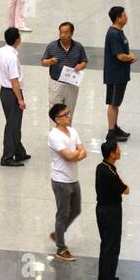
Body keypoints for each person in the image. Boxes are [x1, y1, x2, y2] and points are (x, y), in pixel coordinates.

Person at [47, 103, 85, 262]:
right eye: (65, 115)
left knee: (76, 209)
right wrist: (77, 153)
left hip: (73, 178)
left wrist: (75, 153)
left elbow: (84, 152)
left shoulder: (73, 131)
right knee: (62, 214)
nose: (69, 117)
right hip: (61, 180)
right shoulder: (54, 136)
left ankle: (58, 233)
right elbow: (69, 156)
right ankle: (61, 248)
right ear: (57, 119)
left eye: (68, 114)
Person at [95, 140, 128, 280]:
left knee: (105, 243)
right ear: (112, 154)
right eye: (118, 149)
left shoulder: (101, 167)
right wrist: (124, 185)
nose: (120, 151)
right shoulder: (110, 173)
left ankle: (104, 275)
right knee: (112, 245)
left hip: (101, 209)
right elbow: (125, 190)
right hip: (111, 211)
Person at [0, 26, 29, 166]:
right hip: (12, 92)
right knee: (12, 125)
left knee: (14, 124)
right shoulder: (12, 57)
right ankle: (7, 157)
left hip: (4, 91)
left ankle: (19, 151)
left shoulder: (0, 51)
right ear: (17, 40)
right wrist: (20, 99)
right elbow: (14, 80)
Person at [40, 21, 87, 115]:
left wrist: (80, 66)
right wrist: (50, 62)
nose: (62, 35)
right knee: (55, 112)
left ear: (72, 33)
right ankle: (55, 130)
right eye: (61, 32)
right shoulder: (52, 46)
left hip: (72, 84)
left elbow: (84, 61)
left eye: (66, 32)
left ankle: (66, 129)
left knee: (69, 112)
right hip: (56, 84)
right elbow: (43, 62)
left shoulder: (78, 47)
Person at [103, 6, 134, 142]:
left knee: (116, 103)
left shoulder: (118, 32)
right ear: (118, 18)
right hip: (115, 75)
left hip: (120, 73)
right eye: (124, 15)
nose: (126, 17)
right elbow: (120, 56)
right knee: (113, 103)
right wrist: (131, 57)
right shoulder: (114, 34)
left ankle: (115, 127)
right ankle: (111, 132)